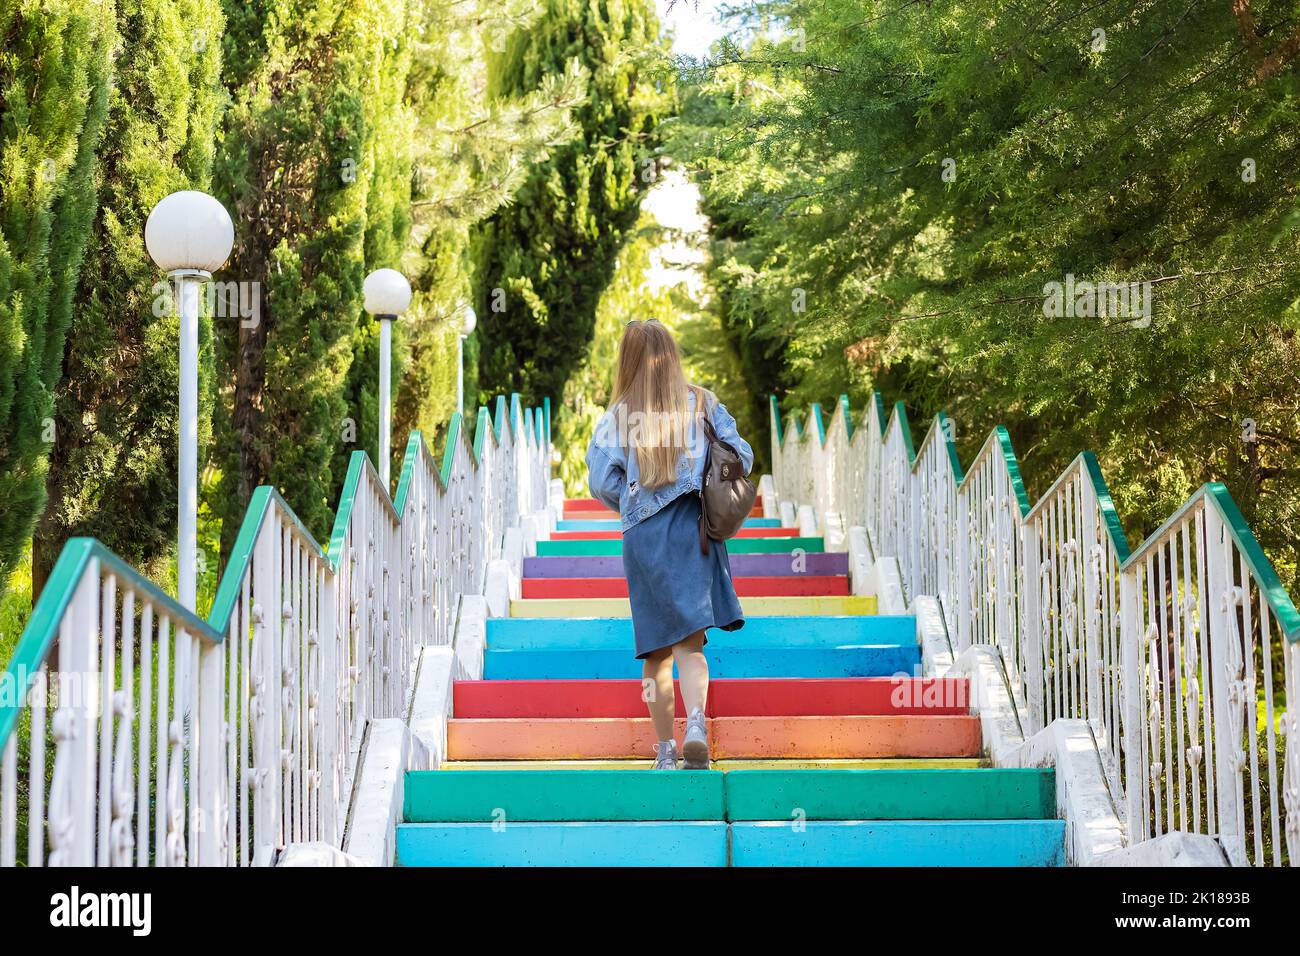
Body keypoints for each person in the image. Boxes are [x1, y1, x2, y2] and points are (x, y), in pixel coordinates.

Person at [586, 319, 753, 769]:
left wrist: (635, 497)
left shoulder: (617, 416)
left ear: (627, 360)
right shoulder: (703, 403)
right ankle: (696, 722)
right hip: (692, 530)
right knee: (691, 645)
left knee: (656, 654)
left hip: (643, 538)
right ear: (672, 355)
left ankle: (663, 752)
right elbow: (742, 456)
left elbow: (600, 479)